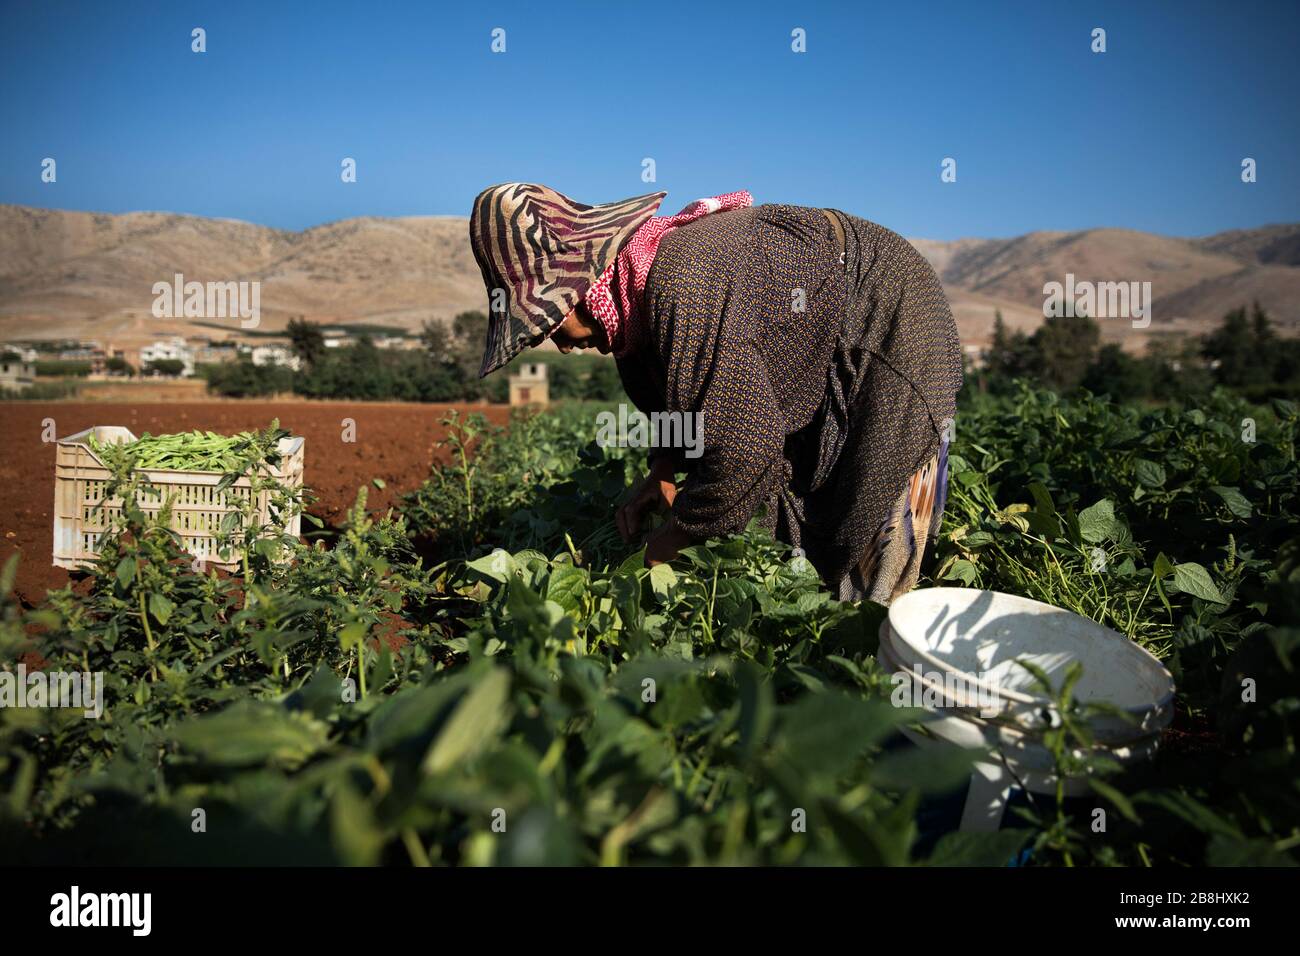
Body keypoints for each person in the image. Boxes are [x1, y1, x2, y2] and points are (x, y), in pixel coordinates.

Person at [469, 183, 963, 605]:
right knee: (785, 536)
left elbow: (742, 453)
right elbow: (673, 398)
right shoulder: (631, 303)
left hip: (889, 315)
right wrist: (661, 470)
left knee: (869, 541)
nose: (560, 342)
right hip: (819, 330)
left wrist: (666, 545)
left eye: (552, 322)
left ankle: (880, 684)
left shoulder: (682, 281)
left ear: (582, 285)